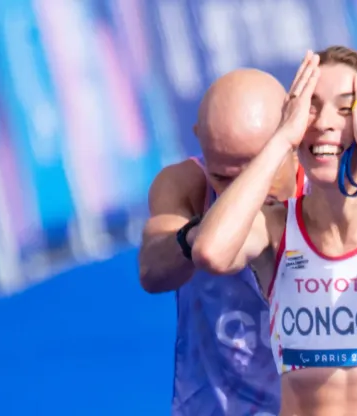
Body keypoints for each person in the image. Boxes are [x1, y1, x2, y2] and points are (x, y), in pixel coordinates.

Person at [191, 46, 357, 416]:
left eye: (347, 108)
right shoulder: (276, 226)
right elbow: (210, 252)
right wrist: (281, 139)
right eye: (311, 106)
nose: (324, 122)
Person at [138, 69, 308, 416]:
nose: (242, 192)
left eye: (259, 169)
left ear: (293, 141)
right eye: (224, 177)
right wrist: (207, 232)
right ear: (201, 141)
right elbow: (153, 271)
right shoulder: (186, 185)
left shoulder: (328, 192)